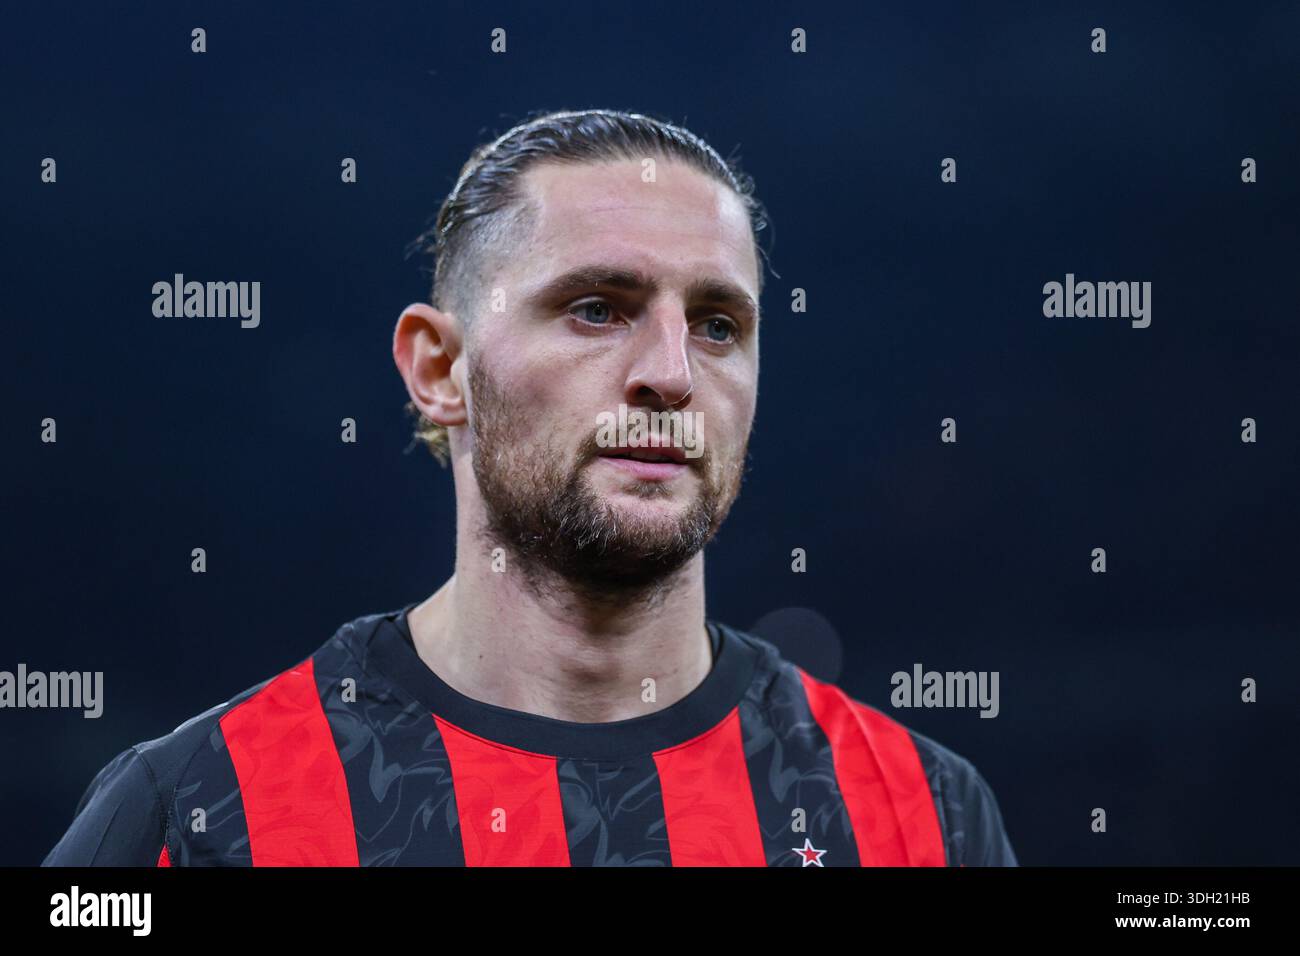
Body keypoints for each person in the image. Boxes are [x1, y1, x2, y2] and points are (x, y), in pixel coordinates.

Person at [43, 109, 1017, 866]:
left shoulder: (921, 814)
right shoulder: (202, 810)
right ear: (437, 367)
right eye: (598, 308)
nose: (672, 372)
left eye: (718, 323)